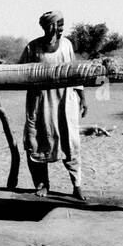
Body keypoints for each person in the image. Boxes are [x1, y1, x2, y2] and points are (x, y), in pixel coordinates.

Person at [21, 10, 86, 200]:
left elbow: (75, 72)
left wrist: (82, 97)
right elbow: (19, 71)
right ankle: (42, 184)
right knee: (37, 142)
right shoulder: (32, 47)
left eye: (62, 25)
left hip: (66, 101)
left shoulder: (66, 45)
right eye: (57, 24)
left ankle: (77, 185)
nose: (61, 29)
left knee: (71, 142)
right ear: (46, 26)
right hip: (40, 103)